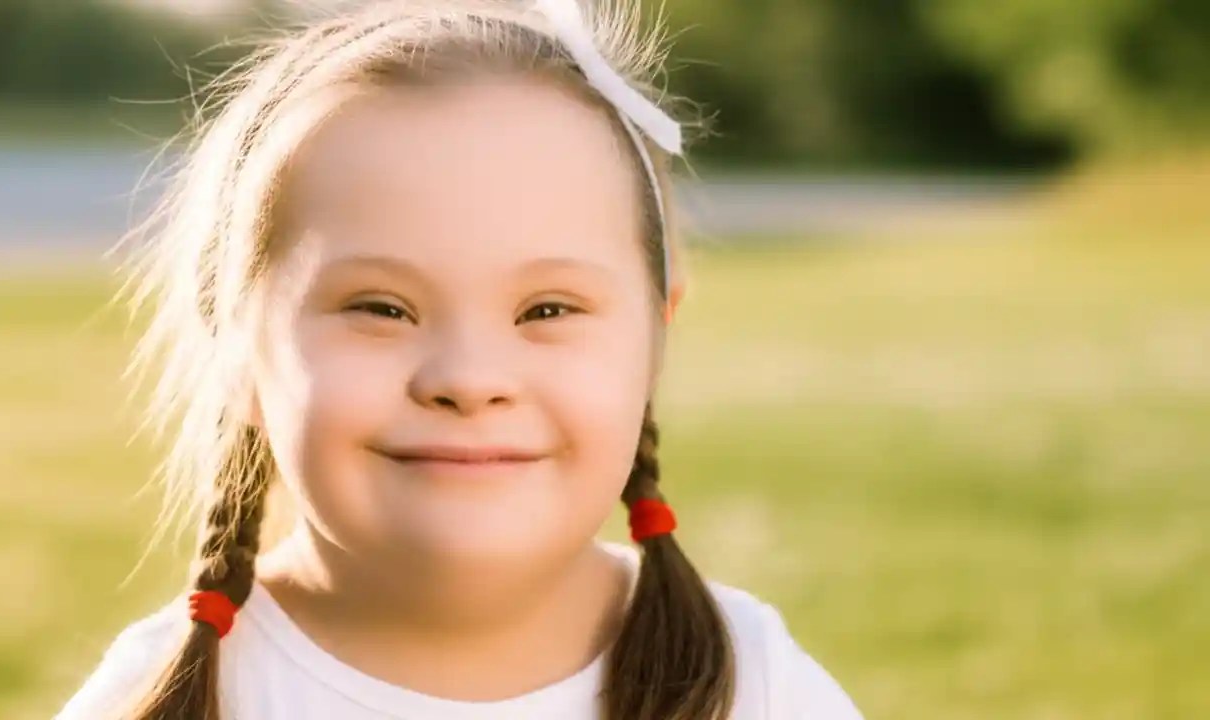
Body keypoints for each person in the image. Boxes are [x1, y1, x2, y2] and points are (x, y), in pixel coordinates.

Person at [55, 0, 864, 717]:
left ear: (655, 339)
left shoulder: (750, 687)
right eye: (381, 308)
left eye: (546, 310)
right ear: (236, 348)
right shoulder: (163, 697)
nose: (469, 380)